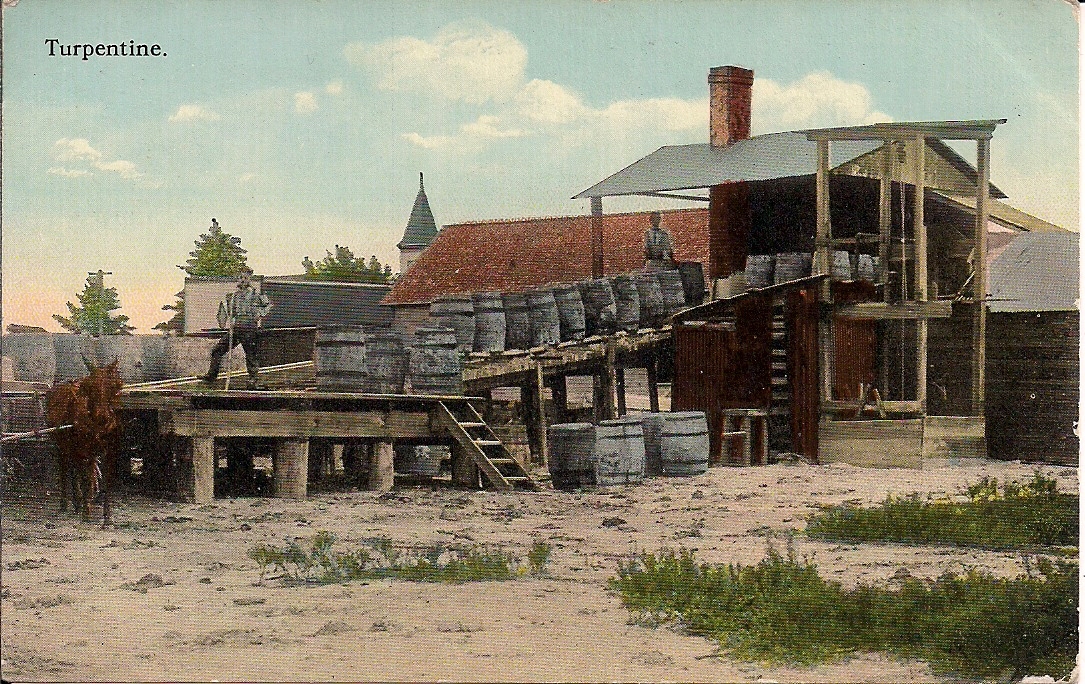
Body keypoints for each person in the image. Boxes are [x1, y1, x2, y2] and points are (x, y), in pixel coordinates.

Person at [202, 271, 272, 389]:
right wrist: (227, 318)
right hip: (236, 329)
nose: (242, 280)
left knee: (251, 355)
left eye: (245, 278)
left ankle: (253, 382)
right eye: (240, 278)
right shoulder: (233, 296)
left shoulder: (257, 294)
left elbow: (268, 305)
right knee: (217, 350)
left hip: (250, 328)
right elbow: (227, 312)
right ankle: (211, 375)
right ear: (237, 280)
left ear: (249, 279)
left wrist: (259, 314)